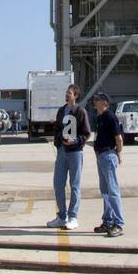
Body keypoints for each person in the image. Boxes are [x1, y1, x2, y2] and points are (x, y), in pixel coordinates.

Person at [46, 85, 91, 231]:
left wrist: (76, 141)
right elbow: (57, 129)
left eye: (69, 93)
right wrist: (59, 142)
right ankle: (61, 216)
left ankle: (73, 217)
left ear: (75, 95)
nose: (66, 95)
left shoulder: (80, 112)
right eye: (66, 92)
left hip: (75, 153)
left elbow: (86, 133)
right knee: (58, 184)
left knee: (74, 185)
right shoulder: (61, 111)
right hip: (62, 151)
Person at [91, 93, 124, 236]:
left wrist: (118, 153)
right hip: (101, 156)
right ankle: (108, 222)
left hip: (108, 155)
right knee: (105, 191)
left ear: (104, 102)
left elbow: (119, 138)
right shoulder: (99, 118)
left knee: (112, 190)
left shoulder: (110, 117)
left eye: (97, 100)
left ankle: (118, 224)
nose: (94, 101)